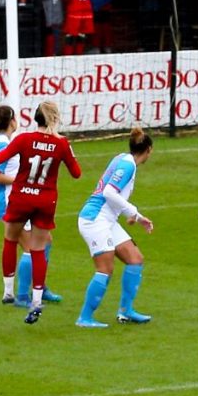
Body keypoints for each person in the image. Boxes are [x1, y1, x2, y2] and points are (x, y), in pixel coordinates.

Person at [0, 101, 82, 324]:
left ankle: (9, 291)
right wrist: (68, 151)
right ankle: (36, 298)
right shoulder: (61, 144)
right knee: (38, 248)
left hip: (21, 197)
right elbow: (76, 173)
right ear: (55, 119)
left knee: (11, 240)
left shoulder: (23, 139)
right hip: (45, 200)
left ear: (34, 118)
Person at [76, 127, 155, 327]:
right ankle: (84, 318)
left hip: (107, 220)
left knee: (135, 259)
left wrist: (126, 213)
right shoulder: (128, 165)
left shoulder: (123, 158)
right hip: (94, 220)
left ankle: (126, 311)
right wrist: (136, 215)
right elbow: (109, 192)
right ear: (149, 150)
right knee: (105, 268)